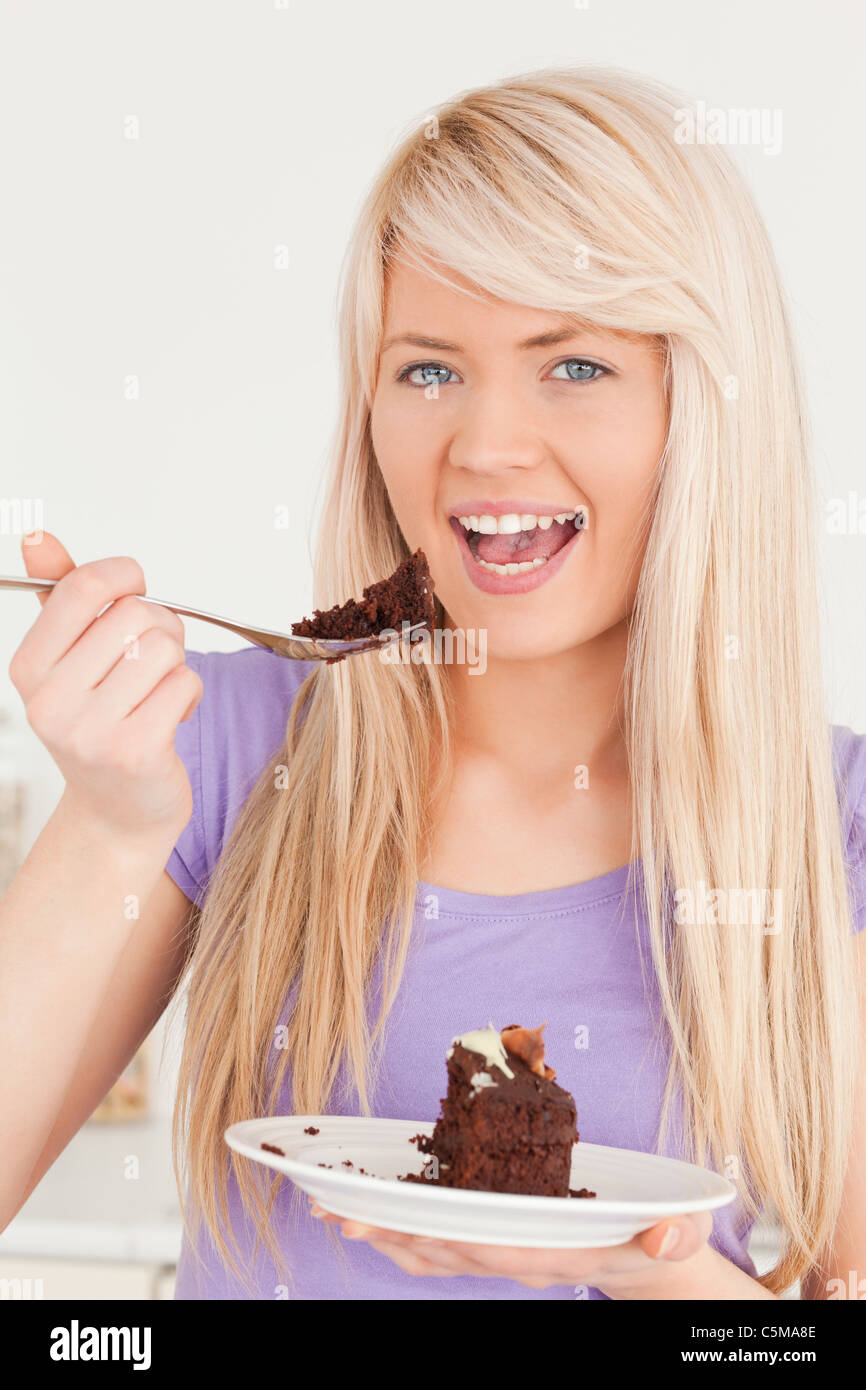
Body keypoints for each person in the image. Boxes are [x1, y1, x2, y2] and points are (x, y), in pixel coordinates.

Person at [2, 65, 864, 1300]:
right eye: (426, 370)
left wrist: (647, 1274)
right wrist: (108, 820)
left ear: (699, 408)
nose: (485, 443)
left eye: (572, 364)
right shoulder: (226, 747)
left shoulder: (824, 826)